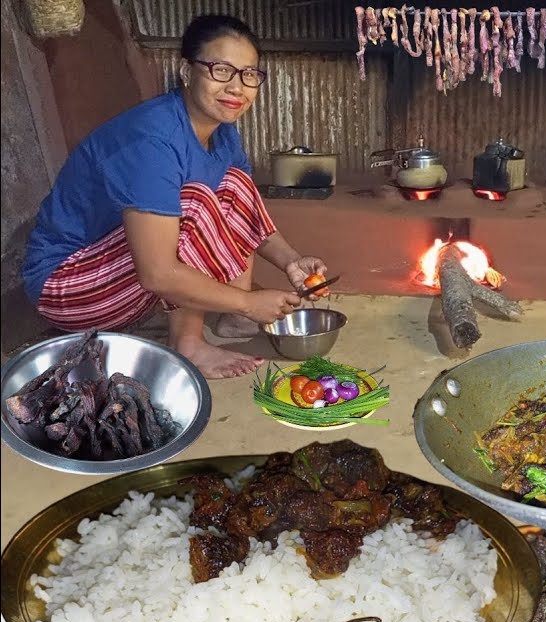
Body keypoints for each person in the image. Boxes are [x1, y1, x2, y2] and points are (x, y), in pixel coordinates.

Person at [21, 14, 326, 379]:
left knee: (234, 185)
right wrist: (249, 303)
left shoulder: (223, 133)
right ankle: (189, 344)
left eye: (249, 75)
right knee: (194, 201)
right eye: (221, 70)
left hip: (118, 276)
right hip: (69, 287)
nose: (237, 87)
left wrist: (292, 262)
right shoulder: (153, 138)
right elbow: (157, 274)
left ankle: (229, 315)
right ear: (187, 71)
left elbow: (247, 215)